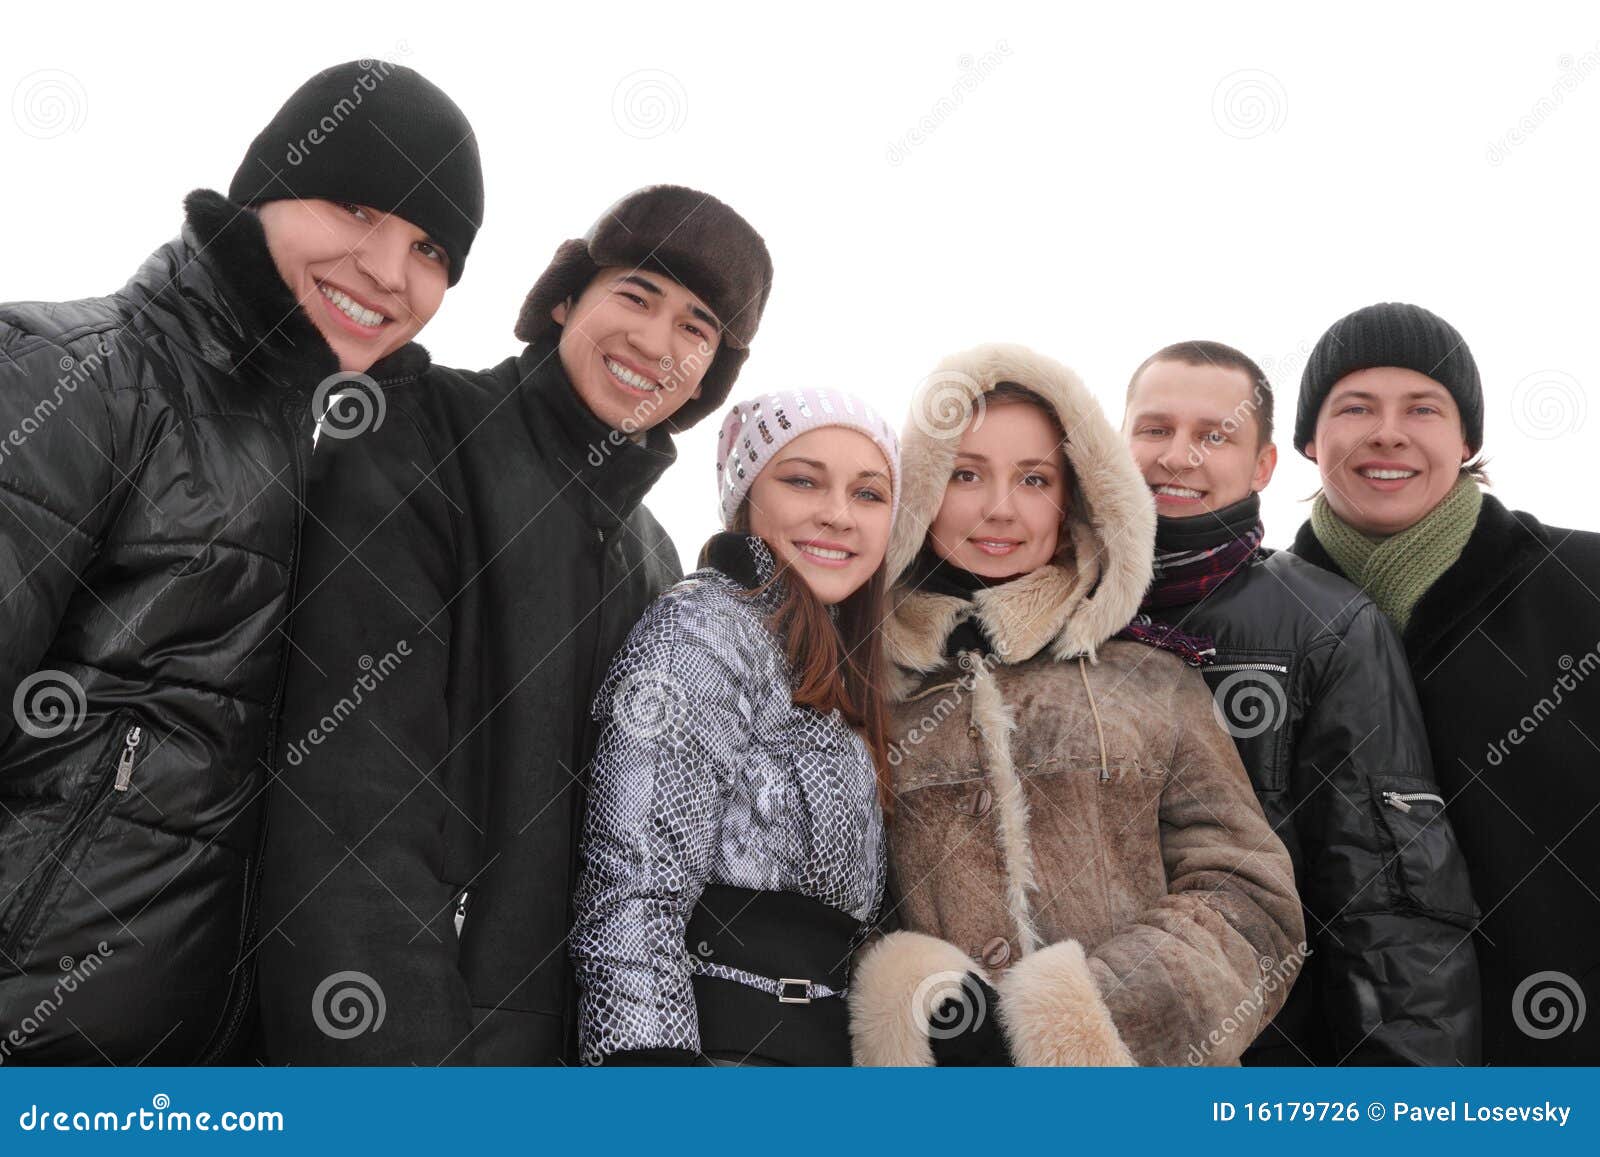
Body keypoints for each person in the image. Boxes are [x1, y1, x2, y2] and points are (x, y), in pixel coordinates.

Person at [0, 60, 480, 1063]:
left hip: (199, 1073)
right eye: (356, 206)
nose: (389, 271)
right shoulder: (77, 371)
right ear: (263, 190)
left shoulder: (357, 473)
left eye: (429, 246)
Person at [258, 184, 774, 1064]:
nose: (656, 342)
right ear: (566, 299)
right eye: (635, 295)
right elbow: (350, 801)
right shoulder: (421, 429)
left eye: (696, 328)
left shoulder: (655, 561)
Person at [849, 343, 1304, 1066]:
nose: (1000, 508)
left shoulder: (1154, 679)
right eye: (966, 473)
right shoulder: (859, 689)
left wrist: (1087, 1017)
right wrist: (920, 1015)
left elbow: (1252, 902)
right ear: (923, 485)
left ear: (1078, 498)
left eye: (1034, 478)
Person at [1122, 339, 1480, 1065]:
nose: (1179, 455)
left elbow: (1392, 901)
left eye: (1214, 435)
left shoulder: (1329, 625)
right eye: (1155, 429)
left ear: (1262, 466)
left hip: (1264, 1068)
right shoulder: (1050, 613)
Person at [1289, 302, 1600, 1065]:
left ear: (1467, 440)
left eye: (1422, 408)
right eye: (1355, 407)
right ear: (1307, 440)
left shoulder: (1583, 587)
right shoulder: (1250, 622)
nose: (1388, 432)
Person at [570, 390, 901, 1066]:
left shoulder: (842, 669)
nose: (838, 514)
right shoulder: (702, 627)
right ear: (747, 494)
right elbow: (633, 880)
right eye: (803, 479)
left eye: (869, 494)